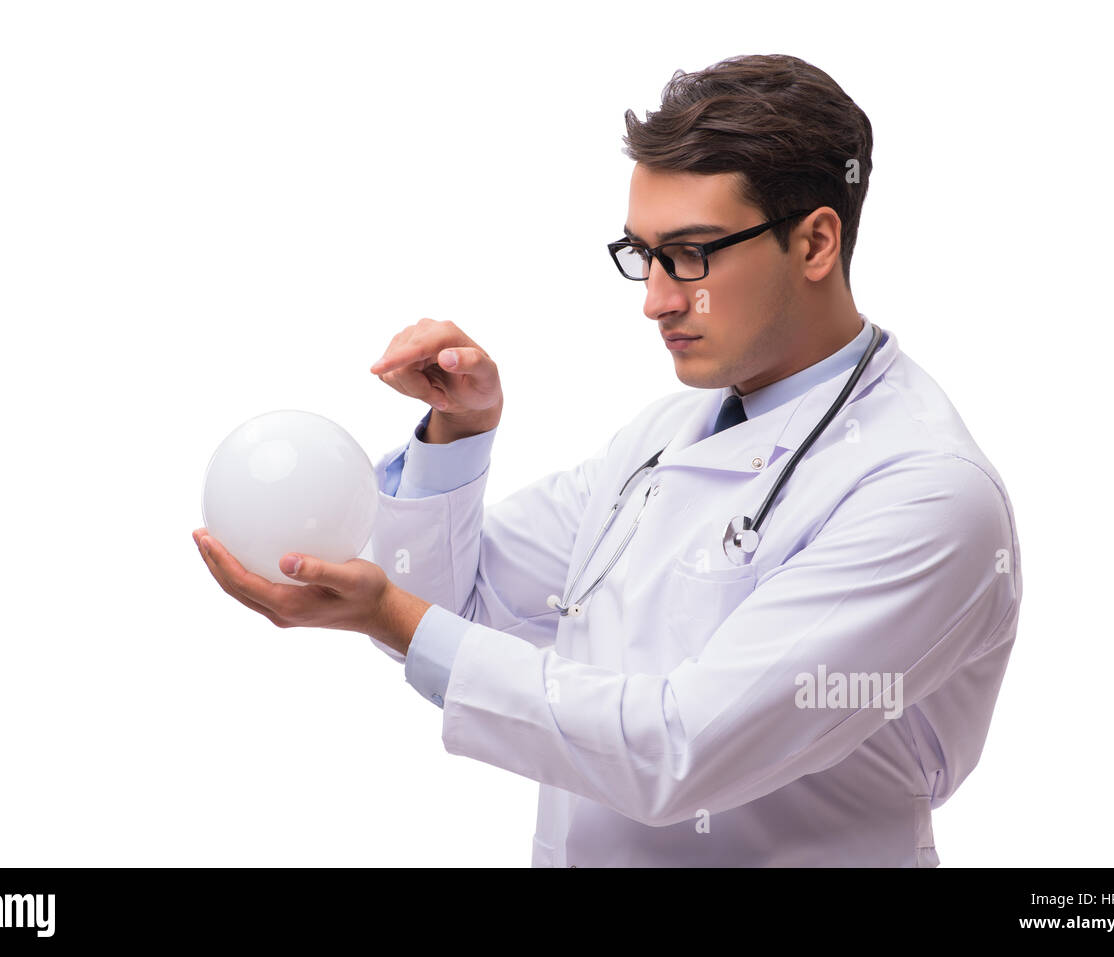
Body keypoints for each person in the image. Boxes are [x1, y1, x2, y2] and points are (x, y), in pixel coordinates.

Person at [194, 53, 1021, 867]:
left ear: (814, 242)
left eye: (691, 254)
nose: (656, 299)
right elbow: (448, 609)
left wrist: (391, 616)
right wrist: (460, 434)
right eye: (643, 254)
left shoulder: (926, 492)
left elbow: (682, 749)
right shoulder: (665, 435)